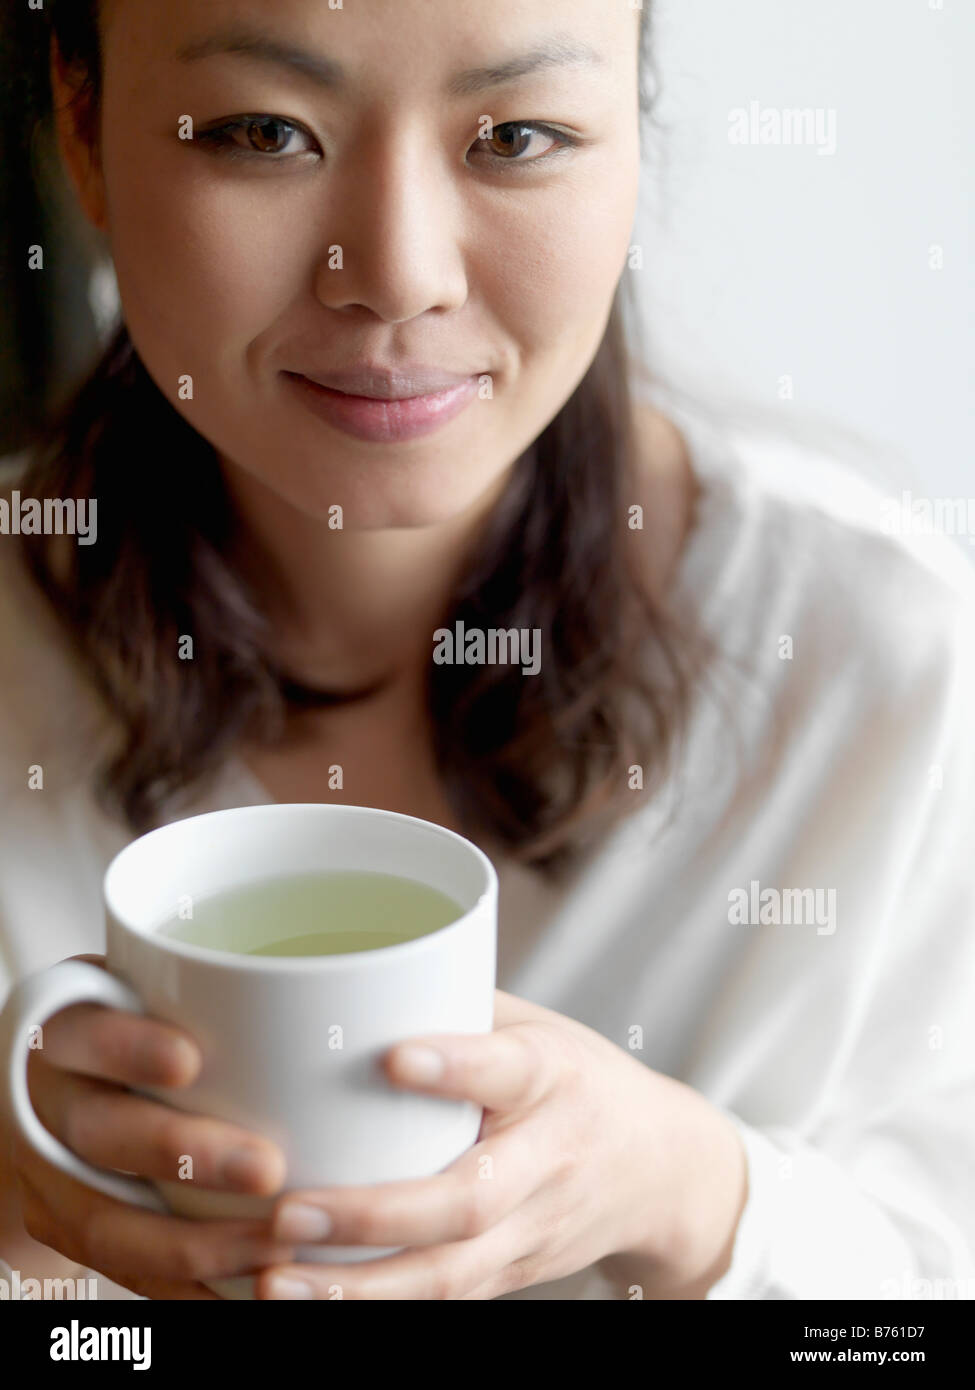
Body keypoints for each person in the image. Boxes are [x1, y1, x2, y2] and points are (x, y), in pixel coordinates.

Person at [1, 0, 973, 1302]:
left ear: (632, 131)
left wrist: (696, 1194)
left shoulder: (887, 669)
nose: (398, 271)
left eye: (517, 134)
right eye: (264, 131)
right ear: (84, 129)